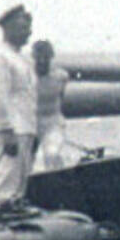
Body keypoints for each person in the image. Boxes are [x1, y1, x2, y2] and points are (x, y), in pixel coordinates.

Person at [0, 5, 37, 201]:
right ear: (8, 28)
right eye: (23, 28)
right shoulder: (0, 57)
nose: (28, 33)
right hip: (11, 130)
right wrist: (5, 129)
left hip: (25, 127)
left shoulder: (22, 59)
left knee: (20, 183)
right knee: (7, 182)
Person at [31, 41, 69, 171]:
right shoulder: (26, 77)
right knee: (23, 162)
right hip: (30, 123)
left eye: (46, 58)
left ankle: (57, 186)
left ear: (51, 58)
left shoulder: (61, 76)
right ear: (33, 57)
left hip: (52, 122)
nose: (42, 61)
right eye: (38, 58)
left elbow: (61, 98)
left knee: (52, 155)